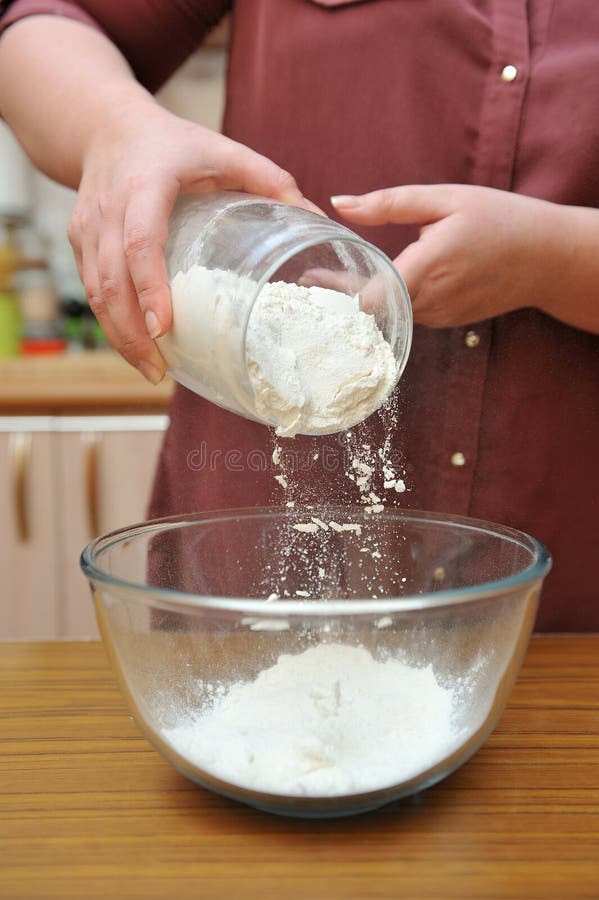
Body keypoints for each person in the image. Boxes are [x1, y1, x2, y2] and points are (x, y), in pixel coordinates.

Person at [0, 0, 598, 630]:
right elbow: (39, 29)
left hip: (565, 592)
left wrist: (558, 259)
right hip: (245, 573)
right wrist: (116, 129)